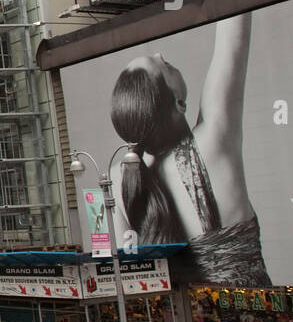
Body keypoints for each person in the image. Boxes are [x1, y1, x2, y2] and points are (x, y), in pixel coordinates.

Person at [108, 14, 271, 287]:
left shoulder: (119, 179)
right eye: (164, 64)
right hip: (256, 320)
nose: (160, 53)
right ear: (179, 104)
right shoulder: (211, 142)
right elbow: (234, 28)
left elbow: (129, 278)